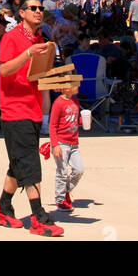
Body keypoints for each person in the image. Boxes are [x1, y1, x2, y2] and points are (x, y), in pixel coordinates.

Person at [0, 0, 64, 237]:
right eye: (32, 8)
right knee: (30, 165)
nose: (38, 11)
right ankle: (38, 216)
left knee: (18, 164)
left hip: (32, 109)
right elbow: (4, 70)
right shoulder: (12, 38)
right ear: (21, 13)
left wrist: (52, 81)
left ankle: (2, 208)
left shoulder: (39, 40)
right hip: (14, 110)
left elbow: (36, 76)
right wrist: (29, 54)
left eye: (40, 8)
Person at [50, 78, 83, 211]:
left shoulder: (75, 101)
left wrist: (83, 121)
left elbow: (75, 120)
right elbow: (52, 125)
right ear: (66, 88)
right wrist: (55, 144)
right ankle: (60, 199)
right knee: (62, 172)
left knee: (79, 169)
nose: (78, 86)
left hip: (74, 142)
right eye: (75, 85)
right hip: (61, 143)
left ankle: (66, 191)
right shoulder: (58, 103)